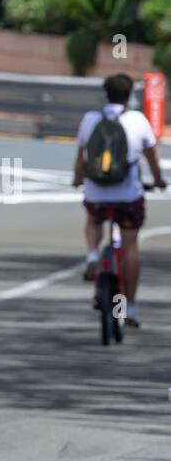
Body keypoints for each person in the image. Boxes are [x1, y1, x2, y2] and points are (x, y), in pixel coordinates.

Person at [73, 73, 165, 327]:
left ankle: (93, 255)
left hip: (96, 193)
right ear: (129, 96)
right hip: (128, 195)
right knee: (130, 245)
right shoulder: (138, 120)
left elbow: (81, 158)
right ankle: (131, 308)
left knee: (93, 218)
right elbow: (152, 158)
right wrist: (159, 181)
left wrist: (77, 179)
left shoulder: (90, 119)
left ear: (106, 94)